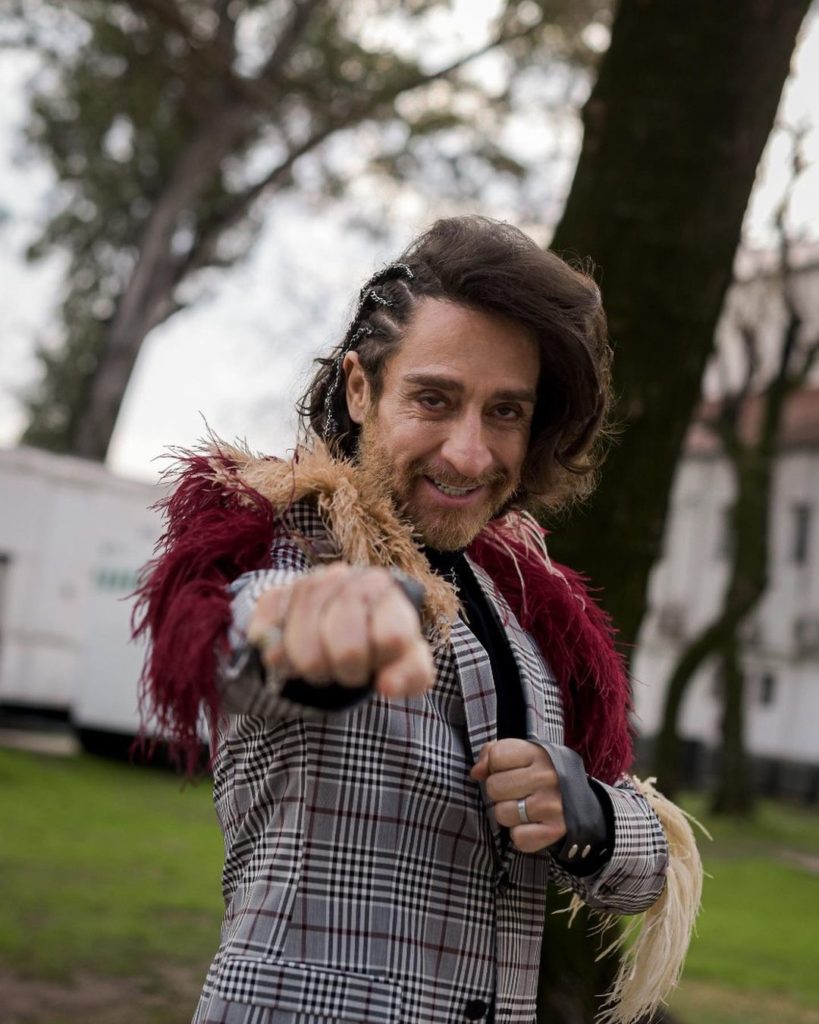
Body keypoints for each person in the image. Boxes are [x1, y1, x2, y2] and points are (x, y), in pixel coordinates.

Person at [135, 216, 699, 1024]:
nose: (470, 454)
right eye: (434, 399)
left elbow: (641, 877)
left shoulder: (526, 609)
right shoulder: (291, 549)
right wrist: (303, 629)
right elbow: (229, 636)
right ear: (360, 389)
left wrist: (592, 816)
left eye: (505, 412)